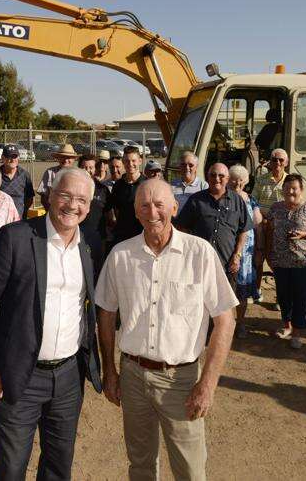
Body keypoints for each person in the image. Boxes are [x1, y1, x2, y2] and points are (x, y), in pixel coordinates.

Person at [96, 179, 238, 481]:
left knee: (189, 468)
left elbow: (226, 319)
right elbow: (106, 313)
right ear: (135, 212)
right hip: (133, 377)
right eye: (144, 205)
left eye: (160, 204)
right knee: (141, 464)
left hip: (181, 381)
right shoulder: (120, 256)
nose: (152, 212)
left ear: (174, 208)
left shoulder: (199, 253)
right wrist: (110, 370)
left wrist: (208, 383)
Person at [0, 167, 103, 480]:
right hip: (20, 374)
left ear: (90, 205)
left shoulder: (91, 244)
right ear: (50, 196)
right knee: (13, 466)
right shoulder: (15, 238)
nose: (73, 205)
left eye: (82, 199)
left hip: (69, 377)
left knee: (59, 464)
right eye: (66, 195)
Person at [266, 174, 306, 349]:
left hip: (303, 264)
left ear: (301, 190)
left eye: (294, 188)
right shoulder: (275, 208)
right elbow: (270, 231)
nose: (290, 192)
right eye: (287, 188)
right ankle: (287, 326)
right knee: (284, 297)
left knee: (300, 299)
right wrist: (268, 253)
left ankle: (297, 334)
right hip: (280, 262)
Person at [176, 163, 253, 280]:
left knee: (227, 298)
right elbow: (182, 228)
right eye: (213, 175)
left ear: (227, 179)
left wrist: (237, 255)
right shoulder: (196, 200)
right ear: (207, 177)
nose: (217, 179)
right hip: (200, 263)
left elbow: (244, 230)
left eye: (221, 176)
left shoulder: (237, 201)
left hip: (228, 264)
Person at [227, 164, 262, 339]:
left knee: (241, 293)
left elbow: (258, 226)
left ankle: (240, 324)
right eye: (233, 179)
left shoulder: (252, 200)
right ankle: (224, 325)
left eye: (240, 179)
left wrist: (259, 249)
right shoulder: (223, 198)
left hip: (246, 254)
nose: (237, 183)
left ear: (245, 181)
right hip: (226, 251)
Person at [253, 148, 289, 303]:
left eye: (281, 160)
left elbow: (294, 205)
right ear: (270, 162)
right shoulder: (261, 180)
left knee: (278, 263)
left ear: (286, 163)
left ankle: (281, 297)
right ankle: (256, 291)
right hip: (262, 224)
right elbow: (253, 201)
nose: (277, 163)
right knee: (258, 258)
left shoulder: (290, 182)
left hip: (280, 227)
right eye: (274, 159)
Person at [106, 146, 146, 247]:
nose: (130, 164)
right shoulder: (118, 185)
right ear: (123, 162)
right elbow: (113, 208)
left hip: (143, 236)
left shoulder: (148, 184)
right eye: (127, 161)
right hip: (122, 237)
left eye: (134, 161)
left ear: (140, 161)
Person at [78, 154, 109, 277]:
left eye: (90, 167)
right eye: (84, 167)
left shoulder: (103, 189)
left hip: (97, 238)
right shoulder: (75, 188)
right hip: (77, 236)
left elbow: (109, 215)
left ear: (95, 169)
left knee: (97, 271)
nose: (87, 170)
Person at [0, 144, 35, 219]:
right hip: (0, 217)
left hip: (19, 218)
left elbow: (29, 198)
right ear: (3, 158)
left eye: (15, 156)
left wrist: (23, 212)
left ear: (18, 158)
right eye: (9, 157)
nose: (13, 160)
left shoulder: (24, 175)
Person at [37, 143, 78, 209]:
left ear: (74, 159)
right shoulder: (50, 173)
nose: (65, 160)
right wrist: (52, 211)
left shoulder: (78, 175)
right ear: (58, 158)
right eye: (63, 157)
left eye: (69, 157)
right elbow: (43, 196)